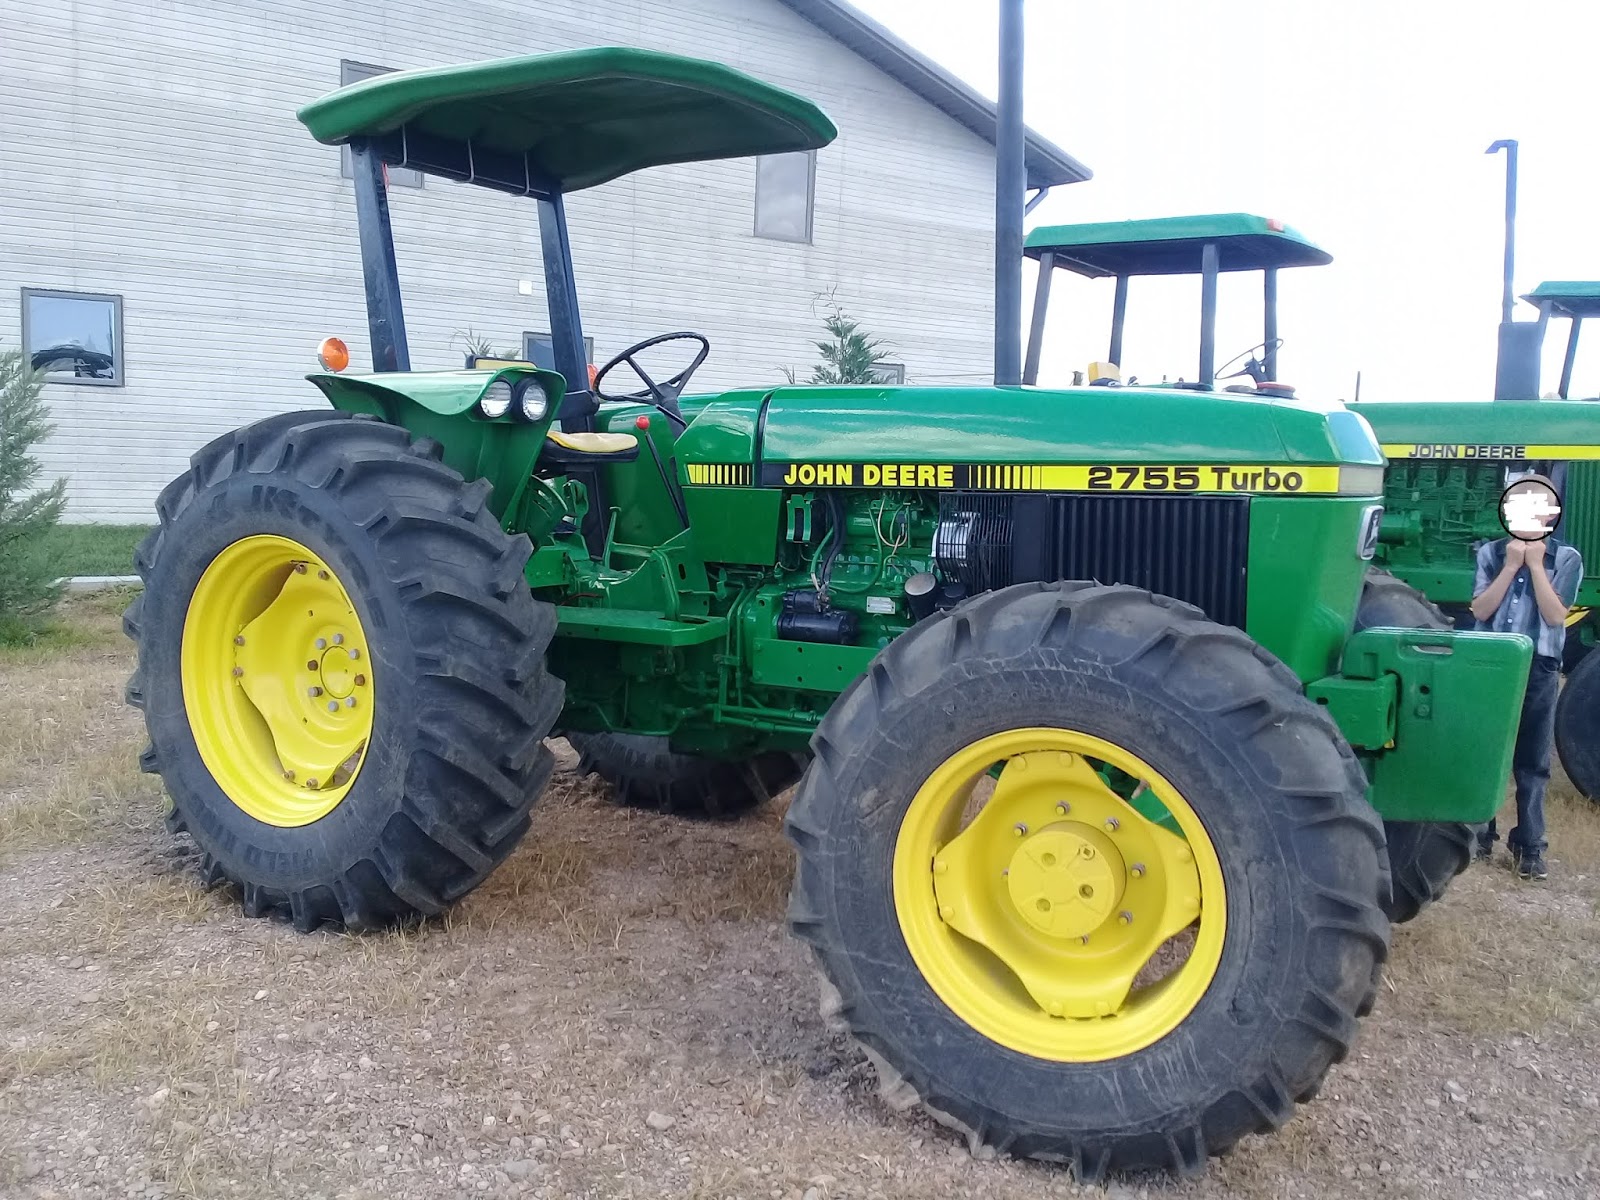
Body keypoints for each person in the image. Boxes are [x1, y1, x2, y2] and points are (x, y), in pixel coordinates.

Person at [1468, 472, 1583, 881]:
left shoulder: (1566, 559)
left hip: (1539, 665)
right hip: (1491, 663)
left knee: (1532, 759)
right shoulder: (1490, 553)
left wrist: (1534, 566)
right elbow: (1481, 610)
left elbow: (1556, 615)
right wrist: (1511, 565)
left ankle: (1530, 846)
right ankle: (1480, 834)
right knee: (1487, 751)